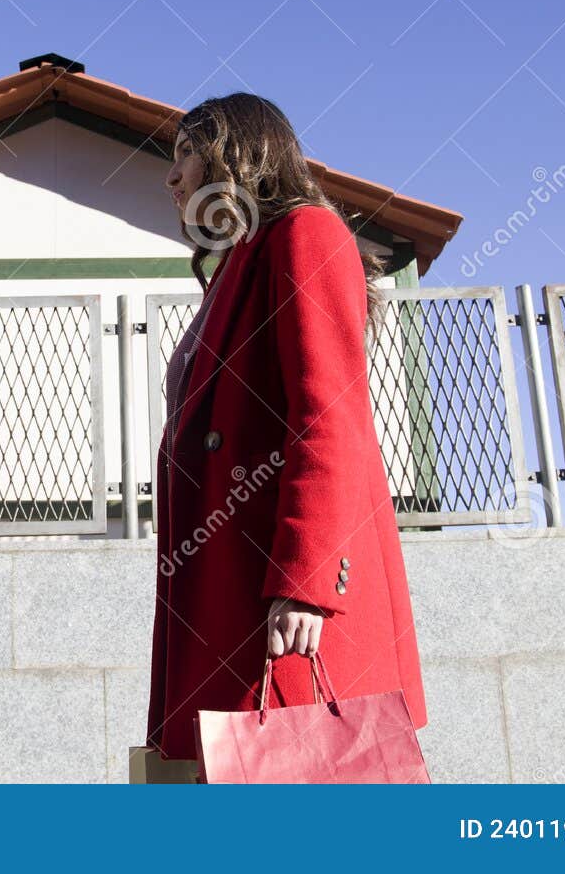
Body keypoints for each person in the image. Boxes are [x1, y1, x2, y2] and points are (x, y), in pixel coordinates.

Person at [146, 93, 428, 771]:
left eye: (187, 153)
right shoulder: (237, 265)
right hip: (229, 581)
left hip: (281, 596)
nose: (172, 176)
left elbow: (328, 417)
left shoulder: (305, 234)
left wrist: (306, 578)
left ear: (237, 153)